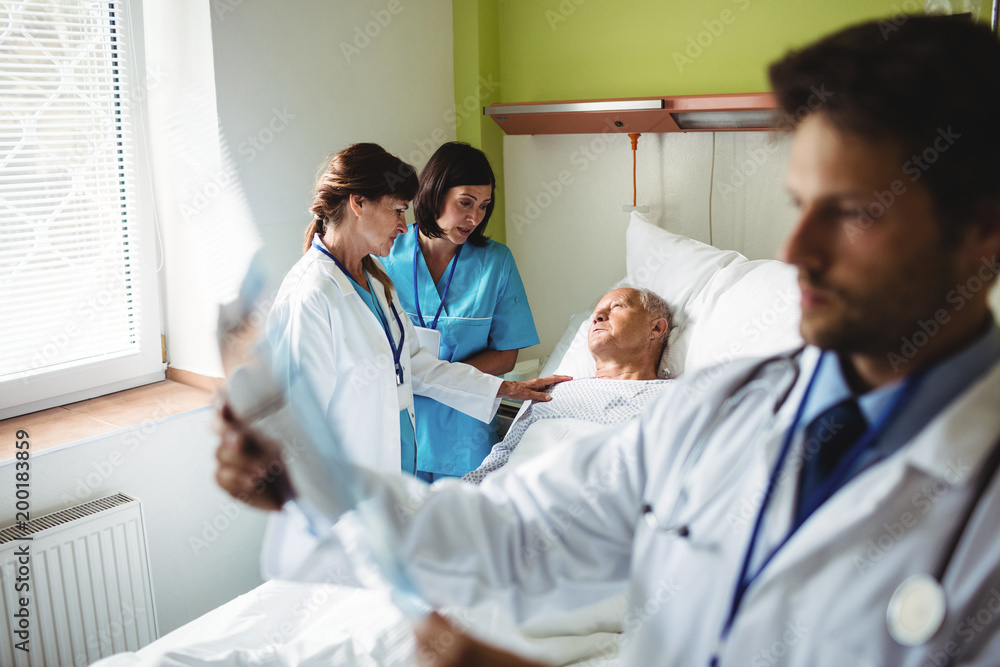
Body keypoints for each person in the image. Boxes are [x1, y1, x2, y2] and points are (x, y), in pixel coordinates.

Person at [216, 16, 1000, 666]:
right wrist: (310, 482)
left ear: (982, 230)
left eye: (856, 210)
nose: (797, 251)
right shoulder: (722, 408)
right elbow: (518, 531)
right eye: (801, 204)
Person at [264, 142, 565, 475]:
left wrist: (508, 388)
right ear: (358, 203)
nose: (403, 225)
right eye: (397, 210)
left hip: (396, 471)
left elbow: (414, 365)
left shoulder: (373, 282)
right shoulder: (311, 294)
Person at [383, 142, 540, 481]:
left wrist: (439, 379)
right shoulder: (385, 254)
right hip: (396, 429)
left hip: (464, 436)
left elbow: (506, 355)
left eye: (483, 206)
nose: (474, 218)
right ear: (435, 193)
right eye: (465, 203)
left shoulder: (495, 262)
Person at [464, 286, 671, 484]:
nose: (598, 317)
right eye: (595, 315)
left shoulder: (672, 399)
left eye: (616, 306)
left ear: (656, 327)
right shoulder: (553, 391)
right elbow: (502, 455)